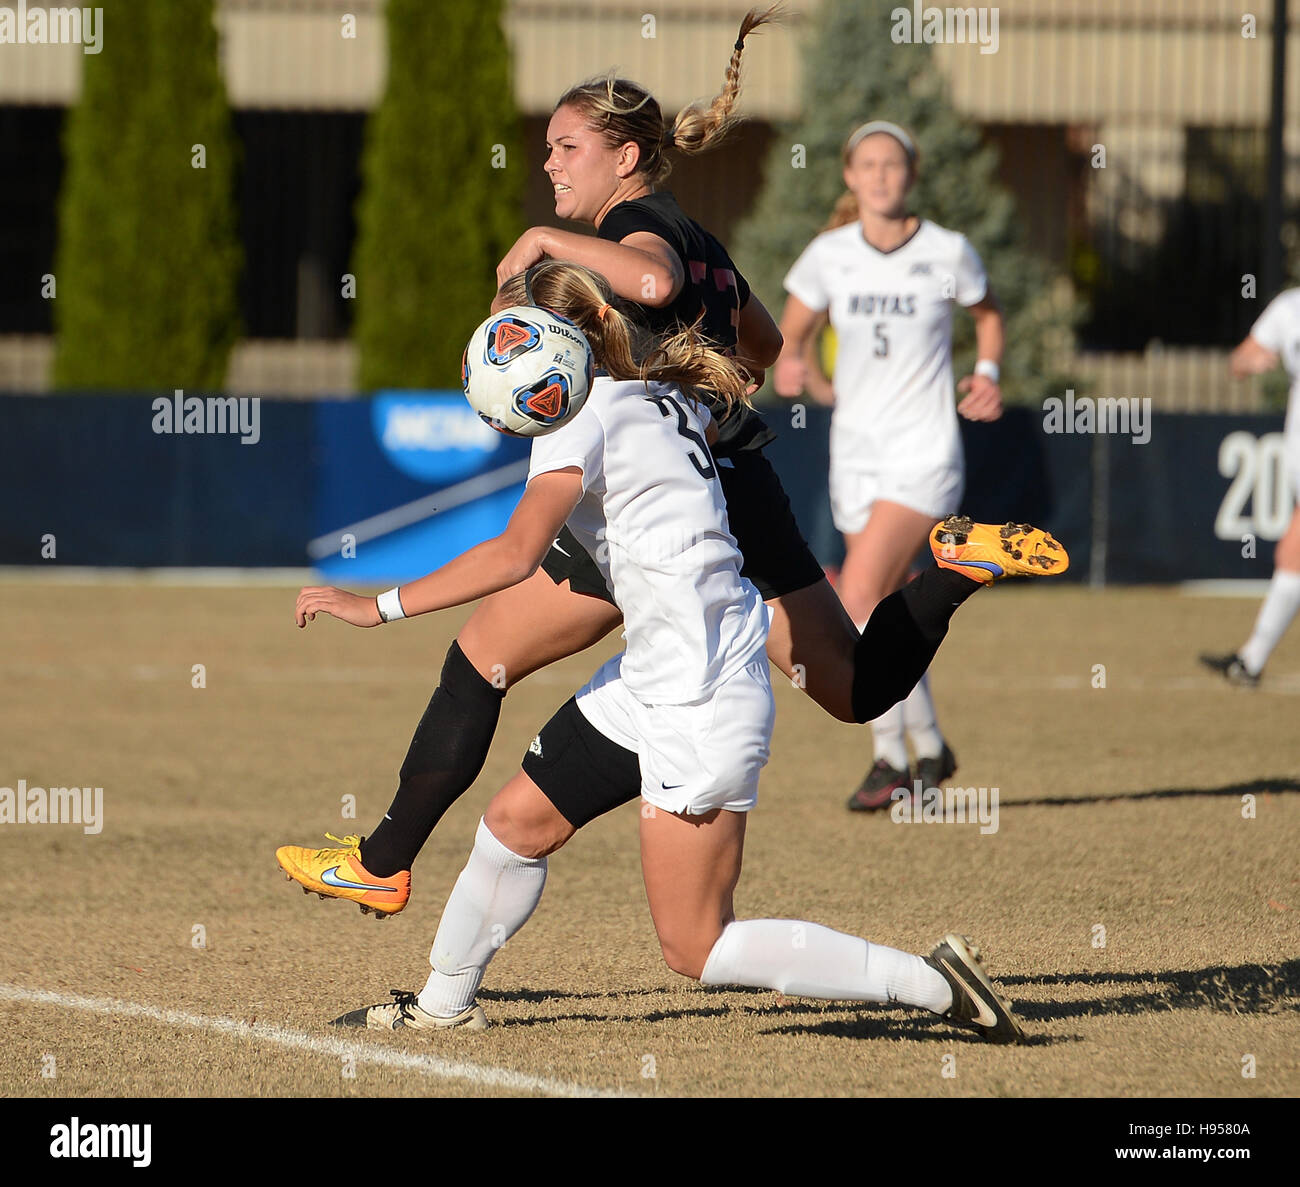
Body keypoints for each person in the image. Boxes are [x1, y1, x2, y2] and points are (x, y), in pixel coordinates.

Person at [277, 19, 1065, 917]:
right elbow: (763, 346)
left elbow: (649, 287)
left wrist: (545, 241)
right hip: (732, 488)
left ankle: (382, 862)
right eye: (548, 152)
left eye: (567, 147)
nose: (552, 165)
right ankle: (950, 576)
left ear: (627, 154)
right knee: (851, 688)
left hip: (662, 508)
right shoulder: (701, 239)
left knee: (479, 657)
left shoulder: (642, 228)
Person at [292, 261, 1029, 1044]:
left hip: (699, 695)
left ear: (549, 348)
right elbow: (753, 352)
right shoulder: (654, 387)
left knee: (696, 944)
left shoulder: (577, 416)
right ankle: (442, 1005)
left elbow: (514, 554)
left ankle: (931, 982)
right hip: (658, 674)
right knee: (513, 822)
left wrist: (375, 607)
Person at [773, 120, 1006, 812]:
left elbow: (988, 317)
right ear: (849, 175)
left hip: (924, 449)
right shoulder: (828, 255)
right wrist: (801, 374)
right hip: (857, 451)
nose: (879, 175)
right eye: (867, 164)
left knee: (860, 589)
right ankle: (930, 744)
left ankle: (887, 761)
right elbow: (791, 339)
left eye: (892, 164)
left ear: (912, 174)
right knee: (882, 601)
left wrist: (987, 370)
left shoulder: (947, 250)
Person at [1200, 293, 1300, 687]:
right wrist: (1251, 362)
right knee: (1292, 555)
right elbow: (1239, 360)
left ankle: (1250, 662)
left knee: (1293, 551)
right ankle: (1250, 662)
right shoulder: (1290, 307)